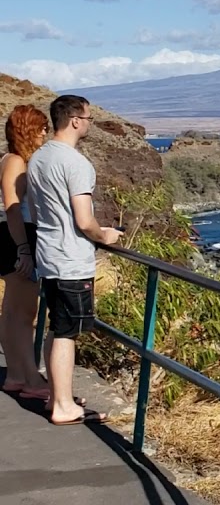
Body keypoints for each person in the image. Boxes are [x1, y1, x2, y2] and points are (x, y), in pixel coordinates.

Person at [26, 95, 119, 425]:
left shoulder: (38, 158)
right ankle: (64, 405)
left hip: (48, 254)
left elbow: (35, 210)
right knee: (67, 333)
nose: (90, 124)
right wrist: (104, 235)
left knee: (57, 326)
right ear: (76, 120)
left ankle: (57, 396)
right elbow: (83, 219)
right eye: (89, 118)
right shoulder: (76, 164)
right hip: (71, 258)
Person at [1, 105, 50, 398]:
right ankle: (32, 379)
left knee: (11, 311)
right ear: (28, 130)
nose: (45, 132)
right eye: (41, 127)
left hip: (13, 237)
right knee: (23, 314)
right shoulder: (16, 161)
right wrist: (24, 249)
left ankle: (16, 375)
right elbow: (12, 207)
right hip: (18, 237)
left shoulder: (10, 160)